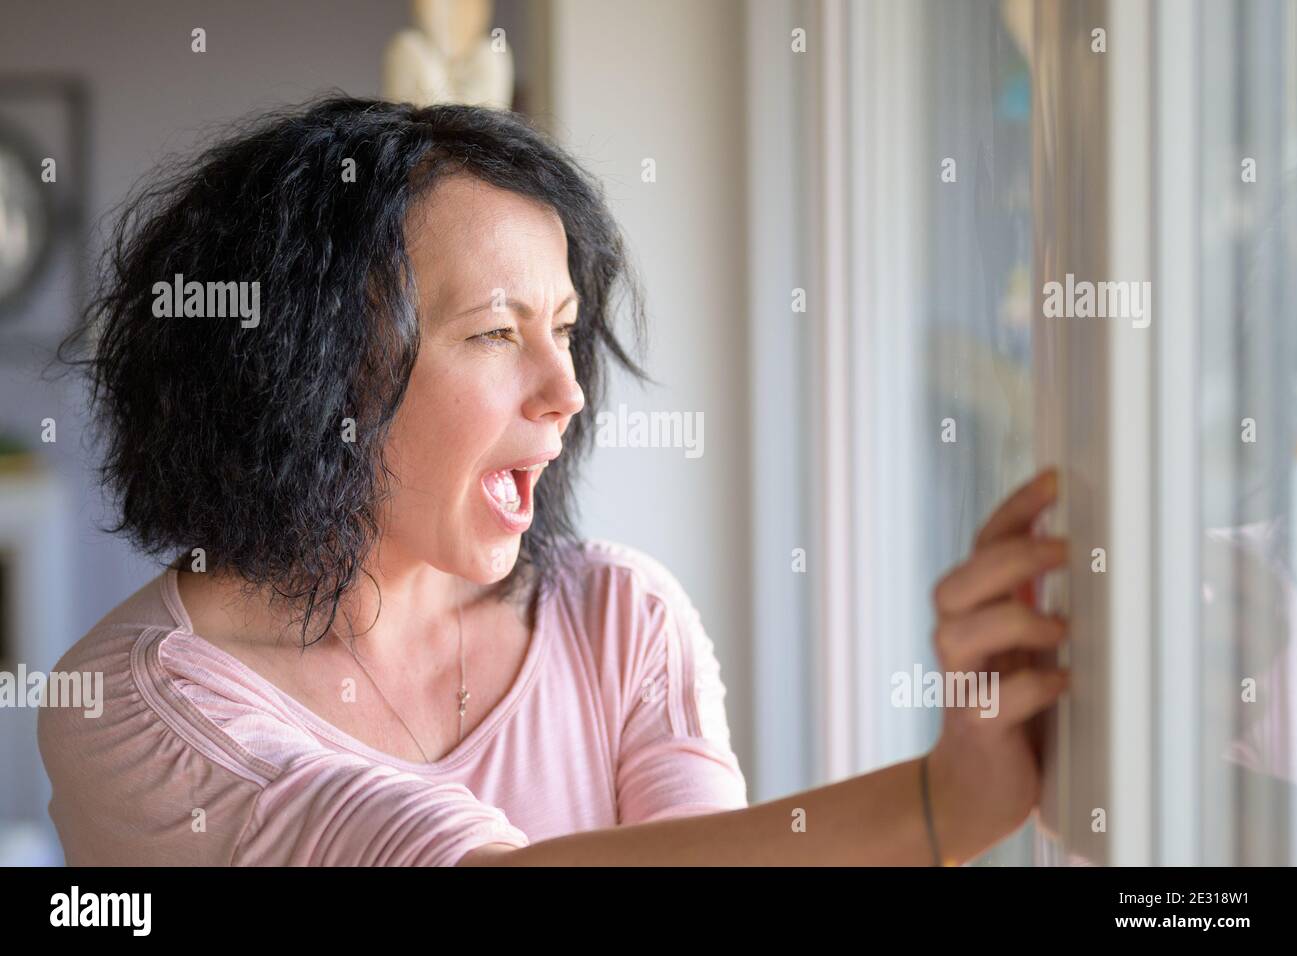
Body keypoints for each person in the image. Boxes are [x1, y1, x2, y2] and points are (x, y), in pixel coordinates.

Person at [40, 97, 1069, 866]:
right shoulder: (135, 703)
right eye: (494, 333)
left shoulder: (619, 617)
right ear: (307, 372)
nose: (566, 392)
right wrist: (943, 801)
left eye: (565, 331)